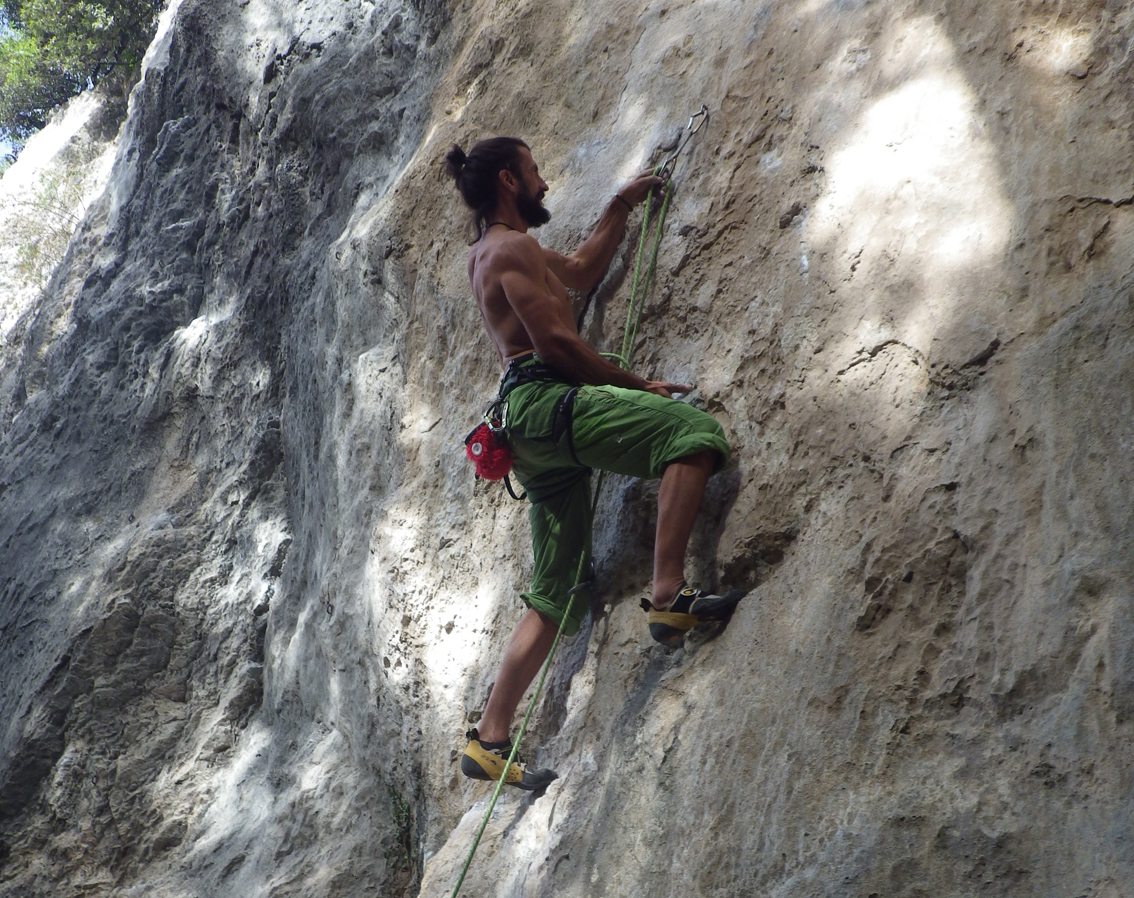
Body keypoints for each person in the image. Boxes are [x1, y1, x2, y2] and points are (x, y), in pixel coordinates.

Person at [445, 137, 741, 790]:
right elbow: (554, 342)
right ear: (507, 179)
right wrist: (636, 386)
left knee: (554, 589)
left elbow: (579, 269)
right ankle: (668, 597)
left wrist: (619, 207)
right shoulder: (511, 249)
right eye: (535, 170)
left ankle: (490, 738)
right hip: (546, 401)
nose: (545, 182)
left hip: (526, 429)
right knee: (690, 433)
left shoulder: (492, 253)